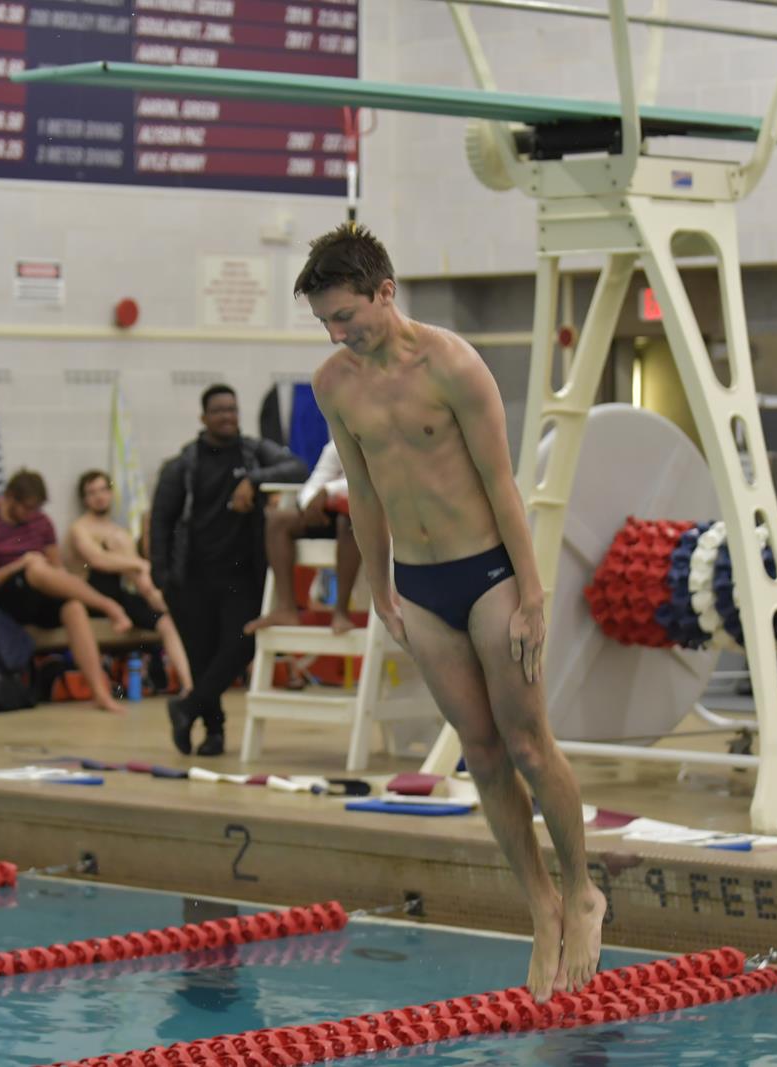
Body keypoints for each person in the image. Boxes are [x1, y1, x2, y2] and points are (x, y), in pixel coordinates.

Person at [296, 224, 606, 1003]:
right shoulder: (333, 382)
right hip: (420, 587)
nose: (340, 333)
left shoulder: (454, 365)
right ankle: (540, 906)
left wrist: (532, 594)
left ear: (385, 291)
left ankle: (582, 890)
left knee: (530, 745)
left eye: (347, 315)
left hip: (490, 573)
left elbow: (504, 483)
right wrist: (377, 585)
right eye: (327, 322)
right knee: (481, 752)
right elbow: (362, 490)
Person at [149, 385, 307, 757]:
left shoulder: (253, 453)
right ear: (204, 418)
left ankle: (187, 707)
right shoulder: (183, 465)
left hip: (241, 575)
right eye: (219, 410)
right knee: (202, 657)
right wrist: (160, 576)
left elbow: (298, 468)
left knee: (241, 645)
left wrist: (253, 480)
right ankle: (213, 733)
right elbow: (160, 522)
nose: (227, 416)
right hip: (191, 578)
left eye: (233, 409)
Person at [0, 469, 133, 714]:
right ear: (10, 498)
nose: (31, 515)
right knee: (34, 565)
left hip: (38, 591)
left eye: (36, 508)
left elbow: (57, 569)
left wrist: (43, 570)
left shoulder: (41, 523)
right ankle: (108, 605)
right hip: (3, 598)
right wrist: (17, 566)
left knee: (73, 607)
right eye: (26, 508)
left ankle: (101, 693)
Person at [65, 469, 195, 699]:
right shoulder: (80, 529)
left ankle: (189, 685)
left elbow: (135, 574)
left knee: (166, 621)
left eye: (103, 489)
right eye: (92, 492)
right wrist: (139, 565)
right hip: (90, 597)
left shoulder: (119, 532)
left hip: (118, 594)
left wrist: (153, 595)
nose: (99, 496)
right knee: (129, 560)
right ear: (84, 499)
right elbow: (98, 560)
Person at [243, 439, 362, 636]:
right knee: (278, 521)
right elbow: (313, 483)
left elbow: (370, 480)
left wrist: (328, 491)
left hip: (375, 520)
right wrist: (310, 505)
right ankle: (286, 608)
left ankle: (341, 611)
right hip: (328, 514)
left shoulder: (386, 440)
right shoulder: (337, 444)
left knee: (348, 518)